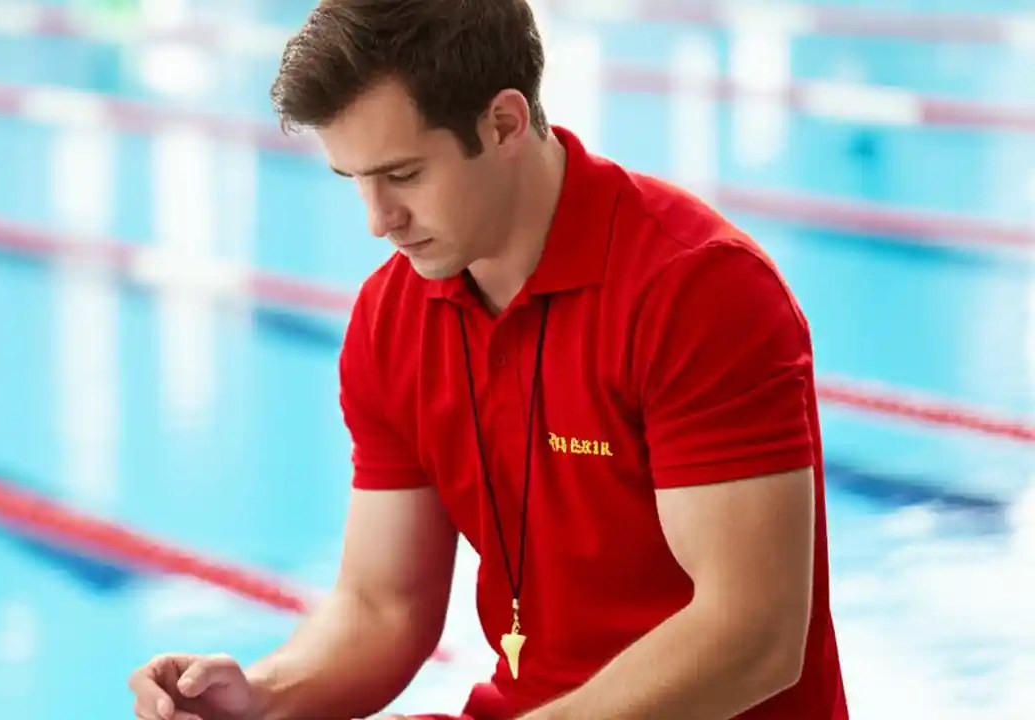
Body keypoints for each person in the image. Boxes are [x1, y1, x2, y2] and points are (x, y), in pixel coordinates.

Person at [128, 1, 848, 718]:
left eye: (404, 174)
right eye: (356, 181)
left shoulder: (696, 290)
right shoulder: (392, 317)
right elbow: (382, 606)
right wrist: (262, 698)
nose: (378, 221)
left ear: (503, 123)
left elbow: (752, 634)